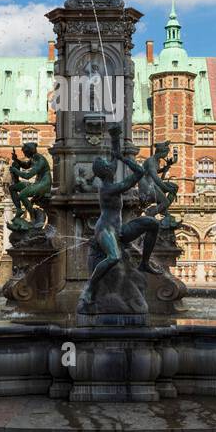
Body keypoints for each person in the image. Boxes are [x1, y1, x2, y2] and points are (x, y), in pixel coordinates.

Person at [80, 127, 160, 308]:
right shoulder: (109, 188)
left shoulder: (109, 179)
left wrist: (115, 138)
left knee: (152, 224)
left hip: (119, 229)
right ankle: (90, 289)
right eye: (110, 167)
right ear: (106, 172)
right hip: (105, 230)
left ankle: (145, 263)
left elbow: (114, 159)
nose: (112, 167)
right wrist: (124, 158)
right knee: (113, 257)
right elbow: (139, 173)